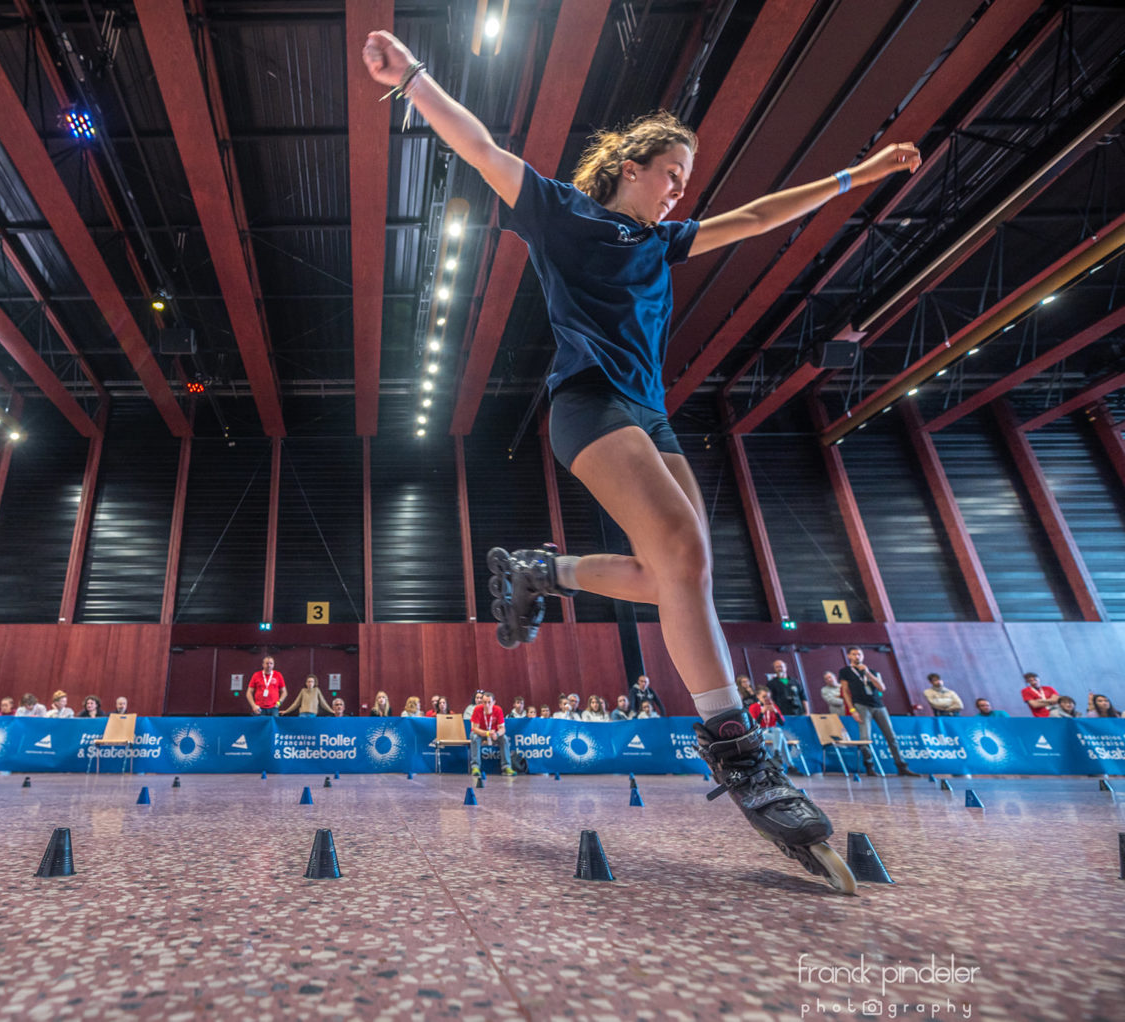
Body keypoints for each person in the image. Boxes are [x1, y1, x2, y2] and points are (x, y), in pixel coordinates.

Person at [362, 27, 919, 892]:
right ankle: (741, 752)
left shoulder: (667, 242)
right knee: (687, 553)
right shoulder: (561, 212)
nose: (678, 193)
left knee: (679, 578)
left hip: (650, 416)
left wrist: (859, 175)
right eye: (671, 175)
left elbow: (758, 216)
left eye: (685, 185)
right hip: (586, 405)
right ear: (632, 165)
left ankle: (547, 573)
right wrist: (416, 81)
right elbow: (480, 147)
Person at [840, 647, 916, 777]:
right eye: (854, 654)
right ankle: (869, 766)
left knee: (891, 736)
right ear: (849, 656)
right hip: (861, 706)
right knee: (865, 738)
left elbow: (882, 687)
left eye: (859, 654)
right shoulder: (845, 671)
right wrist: (852, 709)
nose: (857, 656)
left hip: (879, 706)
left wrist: (868, 673)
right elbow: (845, 692)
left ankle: (901, 766)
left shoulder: (872, 671)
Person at [468, 691, 515, 777]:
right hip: (481, 733)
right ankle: (475, 767)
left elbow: (502, 729)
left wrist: (497, 734)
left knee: (504, 738)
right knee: (474, 737)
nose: (487, 705)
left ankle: (506, 767)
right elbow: (475, 729)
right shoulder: (477, 709)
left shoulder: (498, 710)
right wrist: (486, 733)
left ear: (494, 702)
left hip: (493, 734)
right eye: (484, 702)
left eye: (489, 702)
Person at [747, 688, 789, 772]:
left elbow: (782, 723)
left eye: (768, 697)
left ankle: (777, 753)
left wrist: (776, 712)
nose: (767, 699)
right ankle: (789, 764)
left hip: (772, 731)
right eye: (764, 697)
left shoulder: (773, 706)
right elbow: (754, 725)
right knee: (781, 738)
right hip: (760, 732)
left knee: (778, 731)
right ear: (758, 696)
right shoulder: (753, 707)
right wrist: (762, 713)